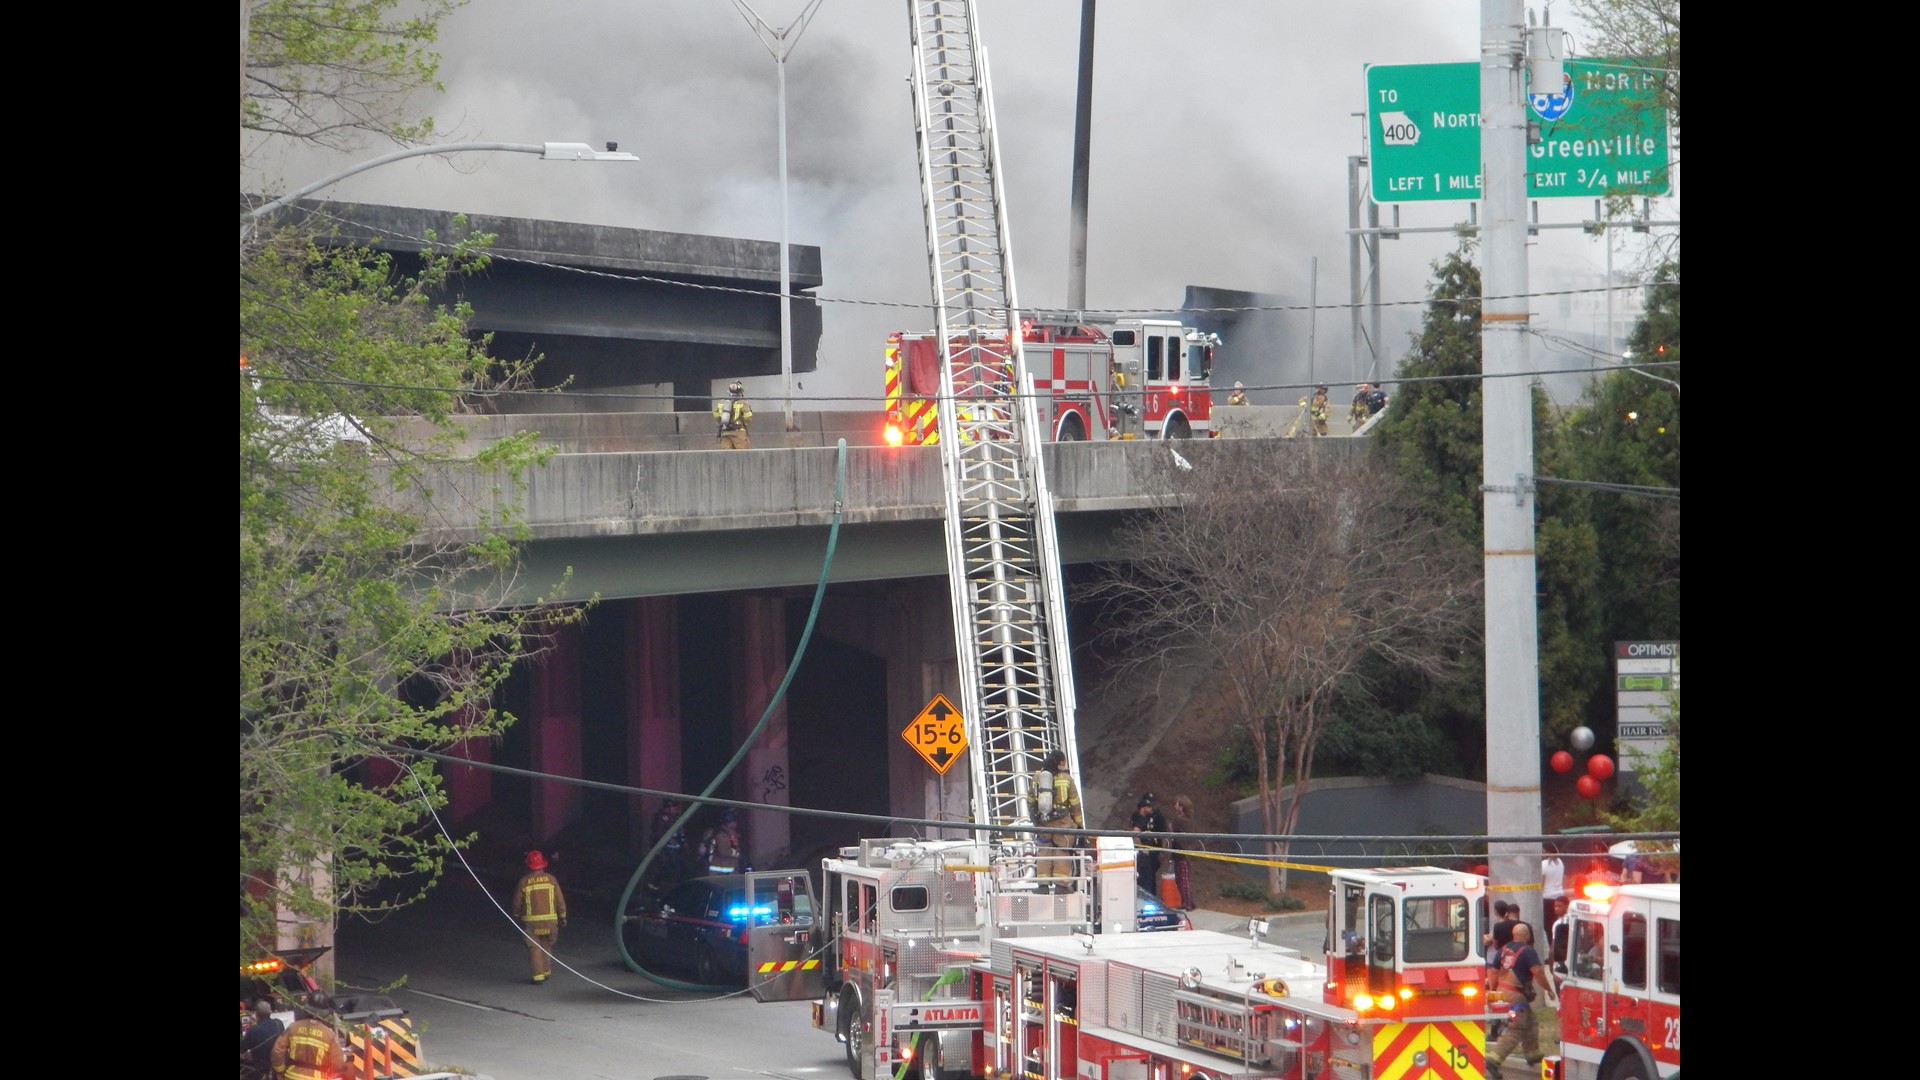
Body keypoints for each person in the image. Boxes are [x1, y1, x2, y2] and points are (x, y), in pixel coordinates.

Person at [1486, 923, 1556, 1077]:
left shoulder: (1504, 950)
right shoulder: (1528, 952)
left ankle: (1532, 1055)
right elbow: (1538, 972)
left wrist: (1493, 991)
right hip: (1516, 996)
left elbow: (1492, 971)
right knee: (1516, 1029)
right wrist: (1549, 990)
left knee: (1530, 1022)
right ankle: (1493, 1060)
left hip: (1503, 994)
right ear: (1526, 935)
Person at [512, 850, 568, 984]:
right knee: (547, 946)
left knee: (535, 948)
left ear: (528, 866)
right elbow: (560, 901)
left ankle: (538, 977)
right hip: (550, 922)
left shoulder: (524, 882)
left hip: (532, 924)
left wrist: (516, 915)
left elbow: (517, 902)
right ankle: (547, 972)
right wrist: (563, 917)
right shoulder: (551, 879)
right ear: (543, 865)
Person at [271, 993, 347, 1080]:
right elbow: (338, 1062)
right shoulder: (329, 1035)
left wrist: (279, 1071)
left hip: (292, 1076)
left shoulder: (293, 1027)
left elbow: (277, 1051)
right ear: (325, 1013)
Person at [1036, 750, 1083, 889]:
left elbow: (1031, 800)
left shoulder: (1037, 778)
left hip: (1043, 823)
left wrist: (1035, 822)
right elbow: (1075, 803)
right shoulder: (1067, 779)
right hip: (1063, 824)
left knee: (1044, 851)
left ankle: (1043, 886)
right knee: (1062, 851)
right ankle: (1060, 886)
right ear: (1061, 762)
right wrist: (1079, 824)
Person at [1164, 794, 1199, 911]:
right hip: (1183, 852)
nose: (1175, 806)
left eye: (1177, 804)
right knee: (1181, 879)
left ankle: (1188, 903)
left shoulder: (1180, 820)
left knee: (1183, 880)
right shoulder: (1190, 820)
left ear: (1181, 806)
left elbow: (1170, 827)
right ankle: (1186, 902)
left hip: (1182, 853)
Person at [647, 798, 691, 889]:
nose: (676, 808)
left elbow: (681, 832)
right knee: (666, 869)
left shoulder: (676, 817)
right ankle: (655, 888)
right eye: (674, 806)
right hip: (667, 850)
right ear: (668, 807)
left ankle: (680, 888)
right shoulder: (661, 819)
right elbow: (659, 834)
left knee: (681, 870)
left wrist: (684, 843)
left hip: (678, 849)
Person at [1128, 793, 1167, 894]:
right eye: (1149, 806)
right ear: (1143, 808)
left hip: (1148, 850)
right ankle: (1147, 897)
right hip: (1144, 852)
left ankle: (1147, 896)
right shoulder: (1140, 818)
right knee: (1146, 877)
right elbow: (1135, 832)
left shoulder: (1137, 816)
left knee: (1146, 876)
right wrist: (1142, 848)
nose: (1151, 808)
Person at [239, 999, 283, 1080]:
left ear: (256, 1014)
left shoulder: (253, 1030)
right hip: (276, 1064)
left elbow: (242, 1050)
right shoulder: (278, 1023)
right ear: (270, 1012)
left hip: (260, 1067)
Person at [700, 808, 745, 874]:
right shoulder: (722, 835)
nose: (736, 823)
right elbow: (724, 851)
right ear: (729, 822)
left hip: (726, 869)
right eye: (735, 821)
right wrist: (738, 854)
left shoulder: (730, 833)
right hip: (722, 870)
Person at [714, 380, 753, 449]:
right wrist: (744, 424)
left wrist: (722, 421)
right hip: (739, 432)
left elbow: (715, 413)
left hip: (725, 432)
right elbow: (748, 417)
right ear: (740, 392)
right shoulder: (742, 403)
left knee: (727, 456)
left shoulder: (721, 402)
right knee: (743, 455)